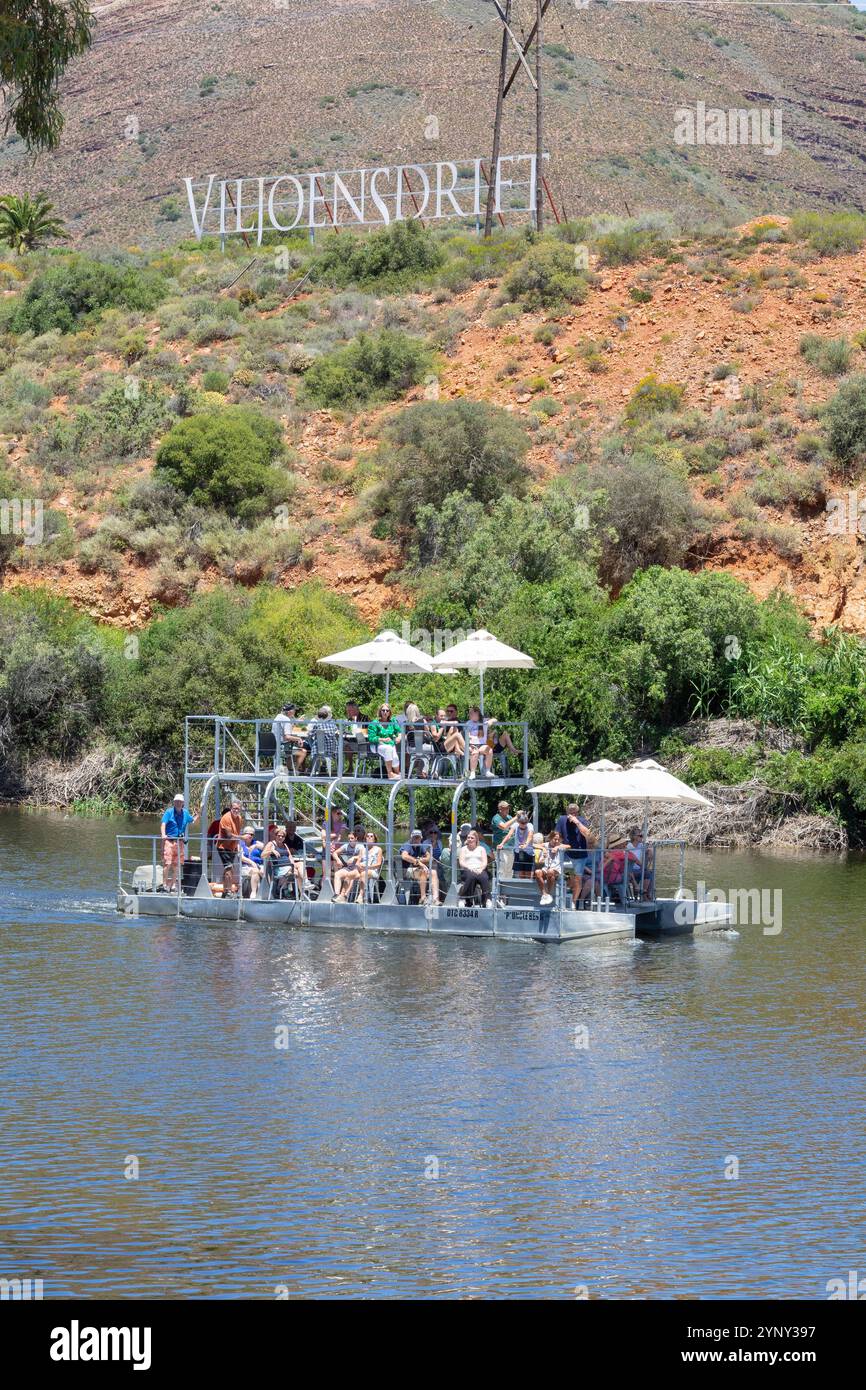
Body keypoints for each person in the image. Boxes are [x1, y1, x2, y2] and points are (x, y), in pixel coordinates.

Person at [160, 792, 198, 893]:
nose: (178, 803)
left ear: (183, 803)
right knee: (167, 863)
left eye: (180, 802)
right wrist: (163, 834)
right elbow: (163, 824)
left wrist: (199, 814)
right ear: (174, 802)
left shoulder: (185, 813)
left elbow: (192, 820)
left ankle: (172, 885)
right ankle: (164, 884)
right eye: (176, 801)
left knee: (177, 865)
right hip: (169, 840)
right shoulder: (169, 812)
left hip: (179, 842)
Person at [261, 825, 305, 900]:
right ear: (275, 836)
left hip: (289, 866)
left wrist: (293, 865)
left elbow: (290, 856)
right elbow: (262, 855)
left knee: (300, 865)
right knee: (295, 872)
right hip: (279, 868)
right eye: (279, 836)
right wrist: (271, 850)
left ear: (284, 837)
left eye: (283, 836)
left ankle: (304, 888)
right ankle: (285, 889)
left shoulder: (285, 845)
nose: (280, 837)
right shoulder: (271, 844)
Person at [216, 798, 244, 896]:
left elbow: (236, 832)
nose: (236, 810)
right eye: (234, 808)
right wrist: (242, 837)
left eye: (238, 809)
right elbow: (229, 835)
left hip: (233, 847)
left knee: (229, 869)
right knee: (229, 868)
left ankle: (225, 891)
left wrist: (237, 845)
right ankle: (228, 891)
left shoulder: (239, 818)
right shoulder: (226, 818)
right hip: (223, 846)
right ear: (231, 808)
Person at [368, 703, 402, 779]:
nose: (385, 712)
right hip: (377, 745)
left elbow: (399, 732)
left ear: (390, 712)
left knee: (395, 758)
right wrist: (382, 739)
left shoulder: (393, 721)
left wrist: (399, 737)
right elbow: (371, 738)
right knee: (388, 749)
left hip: (390, 744)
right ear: (380, 712)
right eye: (383, 710)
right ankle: (390, 773)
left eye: (387, 710)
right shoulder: (374, 723)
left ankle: (397, 774)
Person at [458, 829, 491, 907]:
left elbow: (484, 862)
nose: (470, 839)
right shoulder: (463, 849)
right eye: (468, 837)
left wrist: (480, 869)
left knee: (484, 877)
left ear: (476, 839)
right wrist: (470, 868)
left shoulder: (481, 849)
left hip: (480, 869)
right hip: (467, 869)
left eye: (472, 838)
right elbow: (461, 862)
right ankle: (464, 899)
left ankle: (487, 900)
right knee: (471, 876)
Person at [400, 828, 433, 902]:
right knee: (423, 872)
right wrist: (418, 862)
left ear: (421, 838)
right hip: (406, 871)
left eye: (418, 837)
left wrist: (421, 860)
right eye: (414, 837)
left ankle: (435, 898)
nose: (416, 839)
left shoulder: (420, 846)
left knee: (434, 873)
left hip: (416, 870)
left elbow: (429, 856)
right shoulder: (407, 845)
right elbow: (404, 856)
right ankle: (423, 897)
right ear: (411, 837)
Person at [271, 703, 306, 773]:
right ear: (290, 712)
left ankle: (289, 769)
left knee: (292, 751)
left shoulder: (277, 717)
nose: (295, 712)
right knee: (303, 752)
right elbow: (287, 737)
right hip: (283, 749)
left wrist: (296, 721)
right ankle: (294, 771)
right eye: (294, 711)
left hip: (274, 747)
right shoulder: (286, 720)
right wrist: (299, 739)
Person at [533, 829, 562, 906]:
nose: (556, 841)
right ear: (550, 838)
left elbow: (568, 846)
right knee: (537, 872)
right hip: (546, 869)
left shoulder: (559, 845)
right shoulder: (546, 845)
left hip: (556, 870)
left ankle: (548, 894)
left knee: (550, 872)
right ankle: (544, 894)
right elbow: (533, 845)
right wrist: (543, 849)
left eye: (558, 839)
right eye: (555, 839)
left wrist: (557, 847)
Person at [501, 809, 534, 877]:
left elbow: (530, 836)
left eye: (525, 823)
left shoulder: (530, 825)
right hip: (518, 852)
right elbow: (509, 835)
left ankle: (527, 887)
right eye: (522, 823)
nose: (524, 824)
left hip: (528, 853)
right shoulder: (515, 825)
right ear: (518, 822)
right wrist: (502, 843)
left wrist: (526, 844)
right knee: (521, 874)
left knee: (528, 874)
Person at [334, 830, 365, 901]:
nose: (350, 840)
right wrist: (338, 860)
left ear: (356, 838)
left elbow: (362, 856)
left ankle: (345, 896)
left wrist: (354, 857)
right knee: (337, 874)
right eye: (349, 839)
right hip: (349, 868)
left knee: (351, 876)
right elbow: (335, 853)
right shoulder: (346, 846)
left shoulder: (360, 846)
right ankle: (336, 895)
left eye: (352, 838)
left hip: (358, 869)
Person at [306, 704, 340, 768]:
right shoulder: (333, 725)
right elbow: (337, 733)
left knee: (310, 739)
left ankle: (315, 768)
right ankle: (339, 771)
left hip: (319, 750)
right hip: (332, 750)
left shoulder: (317, 725)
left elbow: (309, 734)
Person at [491, 799, 518, 879]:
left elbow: (516, 827)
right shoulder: (496, 818)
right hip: (500, 848)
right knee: (502, 870)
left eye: (508, 808)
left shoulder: (509, 817)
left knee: (509, 870)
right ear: (500, 809)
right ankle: (500, 889)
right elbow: (504, 826)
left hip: (510, 847)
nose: (507, 810)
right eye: (505, 808)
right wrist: (516, 817)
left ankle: (507, 890)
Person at [626, 825, 654, 899]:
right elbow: (632, 860)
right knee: (647, 873)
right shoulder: (629, 847)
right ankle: (644, 895)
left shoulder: (641, 845)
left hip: (639, 868)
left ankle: (647, 894)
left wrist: (650, 850)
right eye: (640, 835)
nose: (642, 837)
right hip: (631, 870)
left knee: (651, 873)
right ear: (634, 837)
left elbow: (649, 852)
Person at [466, 706, 493, 778]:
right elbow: (467, 736)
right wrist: (470, 741)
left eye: (471, 713)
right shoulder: (469, 723)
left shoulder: (484, 721)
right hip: (472, 744)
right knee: (475, 752)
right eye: (469, 713)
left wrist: (491, 721)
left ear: (477, 713)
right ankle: (472, 772)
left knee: (490, 750)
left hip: (482, 745)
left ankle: (487, 771)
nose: (469, 715)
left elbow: (495, 719)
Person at [239, 826, 264, 900]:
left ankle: (267, 893)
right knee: (255, 871)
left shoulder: (256, 842)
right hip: (245, 866)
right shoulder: (240, 844)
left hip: (259, 865)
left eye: (252, 834)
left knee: (264, 871)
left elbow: (266, 847)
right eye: (248, 834)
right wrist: (252, 862)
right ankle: (254, 893)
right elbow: (241, 857)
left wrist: (256, 846)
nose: (250, 836)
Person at [360, 830, 384, 901]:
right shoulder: (363, 849)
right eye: (367, 836)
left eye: (371, 836)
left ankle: (361, 896)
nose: (369, 838)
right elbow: (358, 861)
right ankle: (344, 895)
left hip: (373, 871)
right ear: (365, 839)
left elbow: (379, 864)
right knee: (349, 874)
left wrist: (367, 867)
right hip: (362, 870)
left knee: (364, 874)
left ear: (374, 839)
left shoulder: (378, 849)